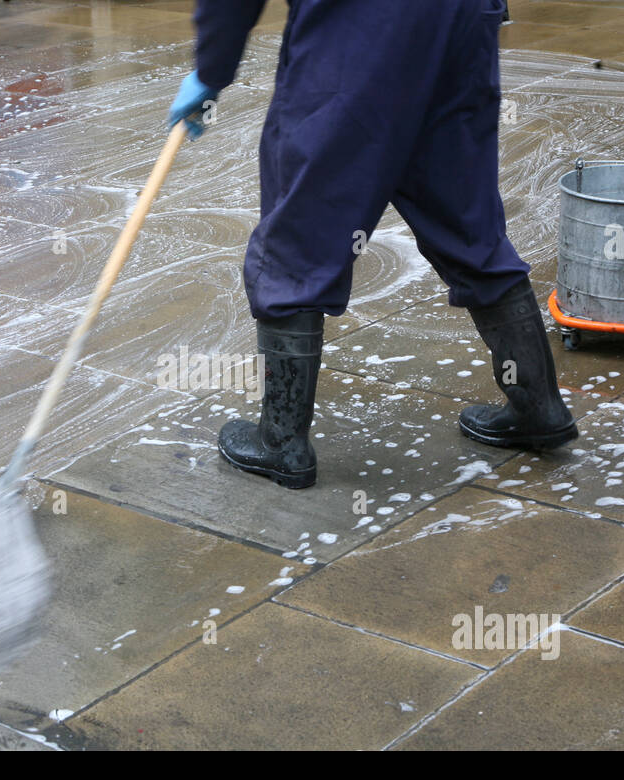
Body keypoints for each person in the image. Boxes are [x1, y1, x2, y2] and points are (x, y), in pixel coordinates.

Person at [167, 0, 577, 490]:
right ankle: (538, 405)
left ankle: (281, 440)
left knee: (303, 227)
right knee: (465, 217)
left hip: (360, 31)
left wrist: (212, 67)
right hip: (460, 25)